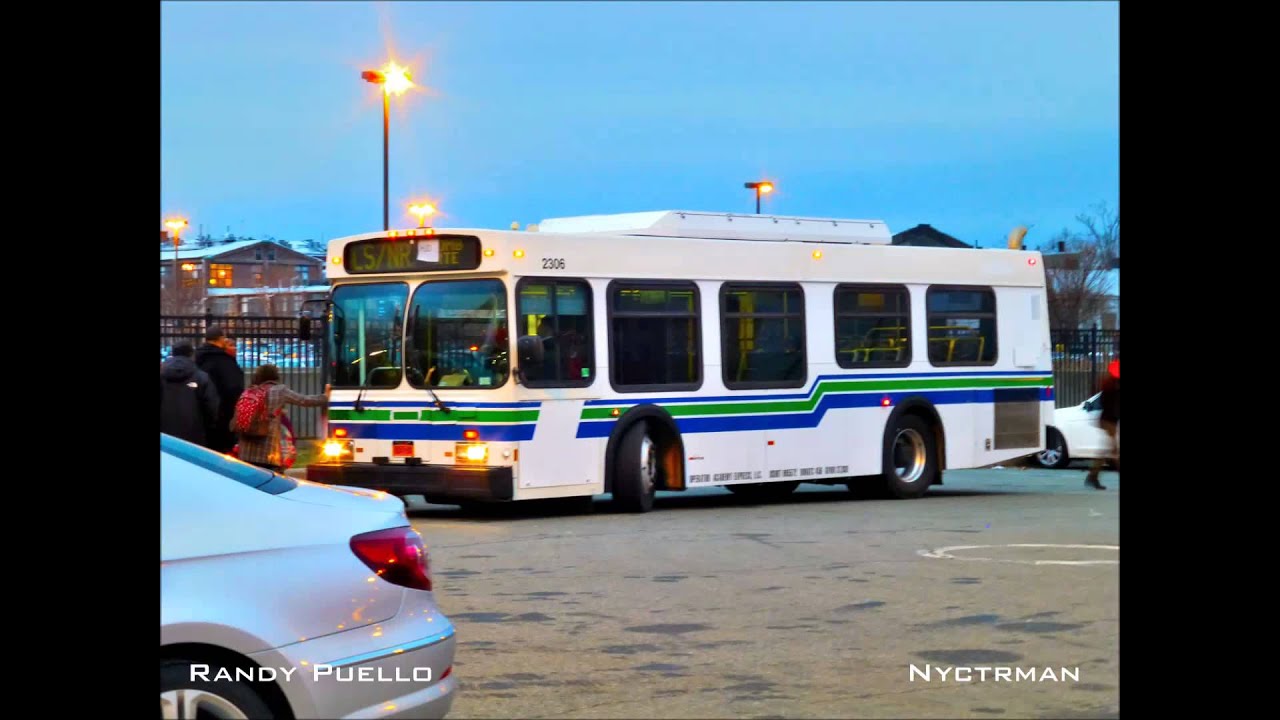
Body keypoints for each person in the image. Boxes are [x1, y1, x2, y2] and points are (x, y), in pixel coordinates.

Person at [234, 364, 329, 473]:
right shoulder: (279, 390)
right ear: (275, 376)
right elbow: (304, 400)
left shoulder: (249, 391)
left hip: (246, 451)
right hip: (267, 452)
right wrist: (325, 396)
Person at [195, 326, 244, 454]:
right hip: (223, 419)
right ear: (221, 339)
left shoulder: (197, 358)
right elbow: (234, 389)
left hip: (200, 418)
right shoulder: (224, 361)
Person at [160, 340, 219, 446]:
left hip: (165, 436)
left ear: (172, 354)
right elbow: (212, 408)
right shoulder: (201, 377)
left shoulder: (162, 375)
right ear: (191, 354)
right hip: (194, 436)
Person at [1085, 357, 1119, 490]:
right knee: (1114, 451)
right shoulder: (1112, 385)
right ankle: (1093, 477)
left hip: (1109, 420)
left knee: (1107, 451)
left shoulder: (1110, 383)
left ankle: (1093, 476)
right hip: (1109, 420)